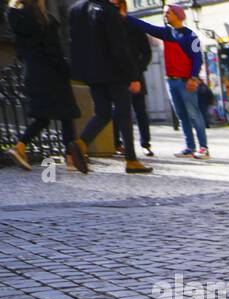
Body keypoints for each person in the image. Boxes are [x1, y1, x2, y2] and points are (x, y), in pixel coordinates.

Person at [67, 0, 151, 173]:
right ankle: (131, 160)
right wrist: (133, 76)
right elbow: (119, 47)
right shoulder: (108, 11)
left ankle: (80, 143)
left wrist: (80, 71)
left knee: (103, 113)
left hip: (92, 72)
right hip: (115, 73)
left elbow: (74, 43)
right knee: (124, 114)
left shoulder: (76, 10)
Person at [3, 0, 81, 172]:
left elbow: (20, 50)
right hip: (51, 72)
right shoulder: (43, 20)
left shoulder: (15, 17)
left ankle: (20, 146)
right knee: (66, 113)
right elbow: (53, 51)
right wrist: (66, 70)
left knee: (42, 116)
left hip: (32, 71)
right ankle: (70, 158)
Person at [127, 3, 208, 159]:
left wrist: (193, 77)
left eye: (168, 13)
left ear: (177, 15)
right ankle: (189, 147)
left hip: (186, 81)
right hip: (171, 81)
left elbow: (197, 58)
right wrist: (125, 16)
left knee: (194, 114)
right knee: (182, 116)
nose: (165, 16)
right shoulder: (167, 33)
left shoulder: (190, 36)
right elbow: (147, 27)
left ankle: (204, 148)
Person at [112, 0, 153, 157]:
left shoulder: (135, 25)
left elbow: (146, 52)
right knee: (119, 111)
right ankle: (117, 143)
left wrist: (139, 68)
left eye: (119, 6)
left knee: (140, 110)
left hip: (136, 74)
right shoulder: (110, 26)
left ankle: (145, 144)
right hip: (118, 76)